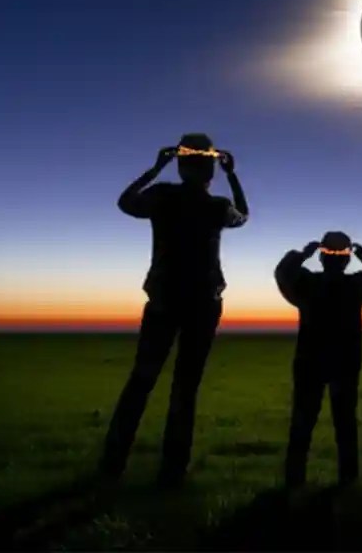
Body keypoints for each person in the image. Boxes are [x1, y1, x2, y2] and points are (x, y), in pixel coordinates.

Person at [99, 133, 249, 488]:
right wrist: (233, 175)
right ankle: (173, 469)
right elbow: (243, 216)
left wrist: (155, 169)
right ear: (211, 167)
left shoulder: (162, 197)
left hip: (164, 301)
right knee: (185, 386)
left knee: (142, 380)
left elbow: (125, 202)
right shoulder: (216, 207)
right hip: (203, 303)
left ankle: (113, 462)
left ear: (180, 165)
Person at [275, 232, 362, 489]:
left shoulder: (307, 285)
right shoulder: (354, 288)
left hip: (309, 362)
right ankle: (348, 482)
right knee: (346, 424)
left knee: (302, 423)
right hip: (345, 363)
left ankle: (293, 482)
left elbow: (283, 271)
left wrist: (303, 254)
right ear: (347, 260)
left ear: (322, 257)